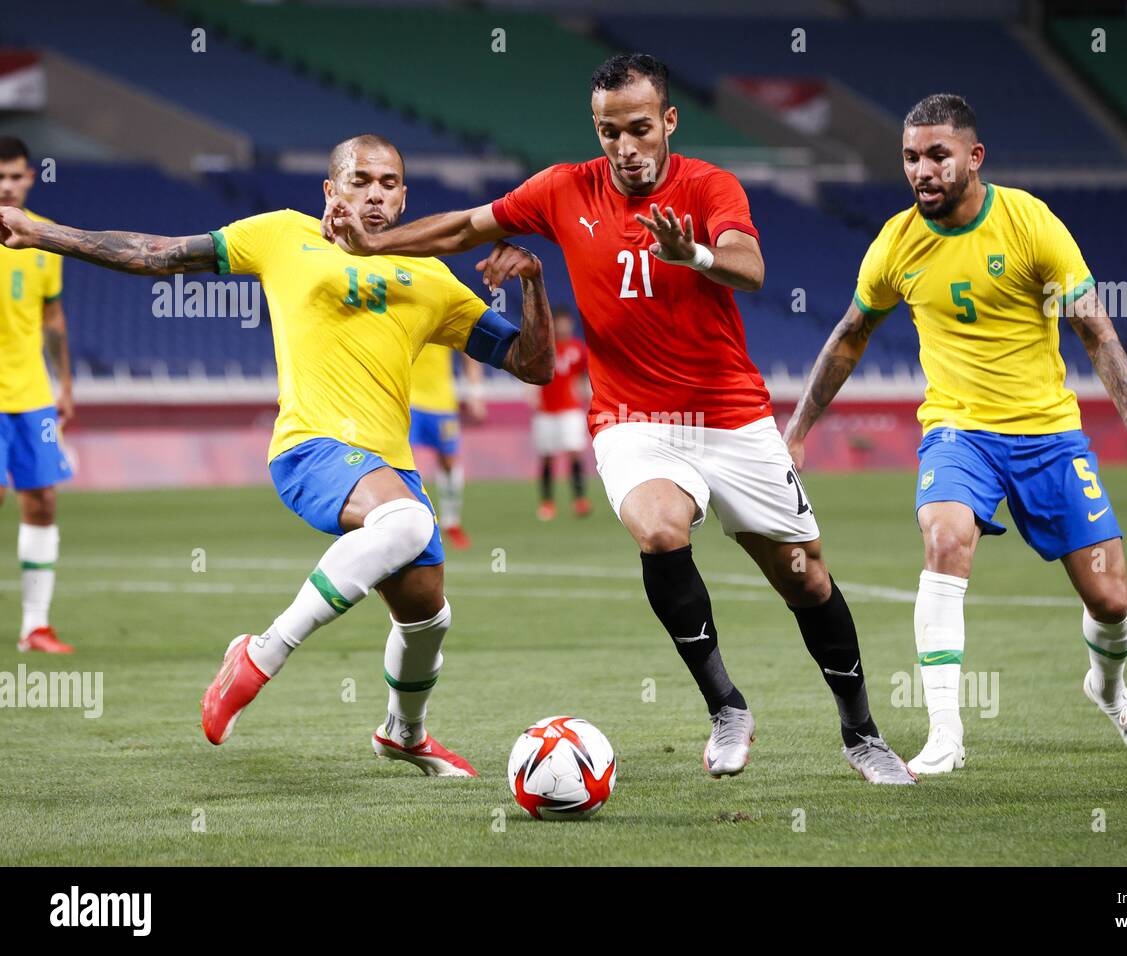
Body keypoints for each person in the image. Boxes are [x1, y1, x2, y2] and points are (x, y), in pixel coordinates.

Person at [324, 56, 913, 784]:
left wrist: (690, 253)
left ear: (668, 121)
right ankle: (726, 706)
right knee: (659, 529)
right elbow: (465, 229)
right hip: (632, 417)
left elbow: (750, 265)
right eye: (610, 132)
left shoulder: (707, 186)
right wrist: (375, 242)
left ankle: (861, 732)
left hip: (730, 415)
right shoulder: (564, 187)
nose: (625, 147)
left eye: (639, 128)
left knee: (805, 580)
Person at [0, 134, 555, 774]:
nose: (374, 194)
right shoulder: (282, 235)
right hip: (310, 447)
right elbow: (157, 255)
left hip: (389, 468)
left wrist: (535, 284)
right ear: (331, 190)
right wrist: (45, 233)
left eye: (389, 183)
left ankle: (403, 733)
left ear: (404, 197)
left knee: (429, 616)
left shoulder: (429, 277)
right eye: (360, 180)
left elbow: (532, 365)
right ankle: (261, 655)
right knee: (408, 523)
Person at [784, 94, 1127, 775]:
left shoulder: (1030, 224)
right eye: (911, 157)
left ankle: (1108, 690)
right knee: (944, 538)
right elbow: (849, 336)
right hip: (959, 434)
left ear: (974, 156)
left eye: (938, 155)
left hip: (1050, 436)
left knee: (1111, 601)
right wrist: (796, 433)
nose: (922, 171)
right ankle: (945, 735)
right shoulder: (896, 244)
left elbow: (1096, 332)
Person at [0, 136, 75, 654]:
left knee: (42, 500)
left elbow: (51, 315)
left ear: (30, 177)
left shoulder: (42, 237)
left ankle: (35, 626)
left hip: (31, 393)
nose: (8, 185)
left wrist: (65, 382)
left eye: (16, 176)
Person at [410, 343, 482, 549]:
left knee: (449, 462)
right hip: (408, 400)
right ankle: (413, 522)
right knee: (404, 461)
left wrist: (476, 393)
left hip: (442, 403)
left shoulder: (443, 315)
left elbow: (470, 352)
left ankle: (452, 521)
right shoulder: (399, 312)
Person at [533, 306, 591, 521]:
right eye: (558, 323)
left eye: (565, 323)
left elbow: (584, 376)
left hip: (570, 410)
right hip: (546, 412)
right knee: (547, 457)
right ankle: (547, 503)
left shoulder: (578, 348)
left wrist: (589, 397)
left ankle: (580, 500)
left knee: (574, 452)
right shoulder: (544, 348)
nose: (562, 326)